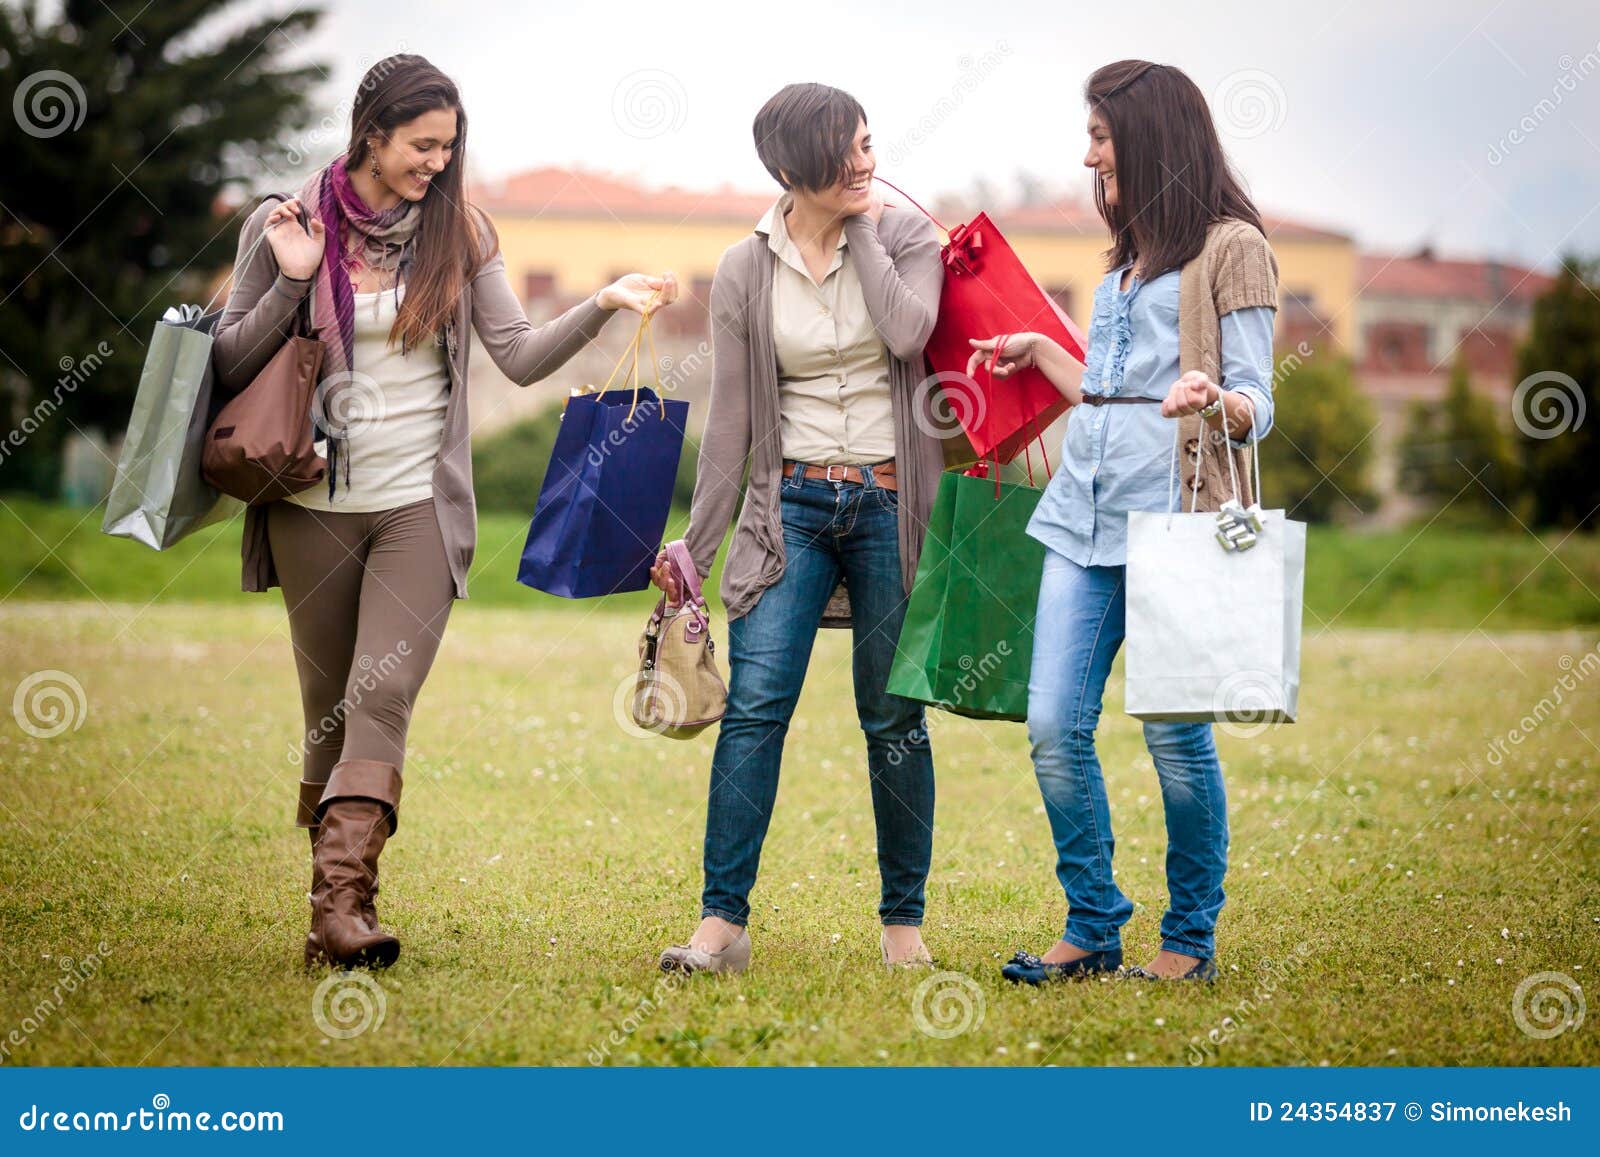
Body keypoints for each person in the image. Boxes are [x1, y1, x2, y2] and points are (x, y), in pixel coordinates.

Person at [212, 54, 677, 968]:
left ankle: (343, 911)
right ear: (371, 133)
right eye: (422, 145)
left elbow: (518, 353)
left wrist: (602, 304)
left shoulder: (459, 232)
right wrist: (296, 281)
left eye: (448, 147)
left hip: (418, 506)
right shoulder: (289, 224)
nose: (436, 162)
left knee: (381, 692)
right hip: (310, 501)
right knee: (328, 712)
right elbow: (228, 361)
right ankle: (329, 915)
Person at [967, 60, 1279, 984]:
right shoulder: (1127, 255)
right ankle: (1094, 921)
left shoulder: (1232, 247)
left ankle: (1189, 941)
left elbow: (1258, 403)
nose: (1089, 152)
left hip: (1175, 520)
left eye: (1101, 134)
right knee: (1053, 723)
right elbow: (1107, 394)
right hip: (1082, 514)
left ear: (1151, 137)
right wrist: (1041, 351)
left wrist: (1214, 396)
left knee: (1176, 735)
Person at [652, 83, 949, 974]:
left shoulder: (906, 237)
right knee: (755, 709)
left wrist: (856, 224)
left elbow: (909, 332)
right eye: (844, 154)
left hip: (893, 507)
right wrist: (694, 551)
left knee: (893, 715)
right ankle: (721, 926)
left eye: (867, 143)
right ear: (790, 170)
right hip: (792, 514)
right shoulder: (747, 269)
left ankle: (903, 926)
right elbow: (734, 422)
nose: (865, 162)